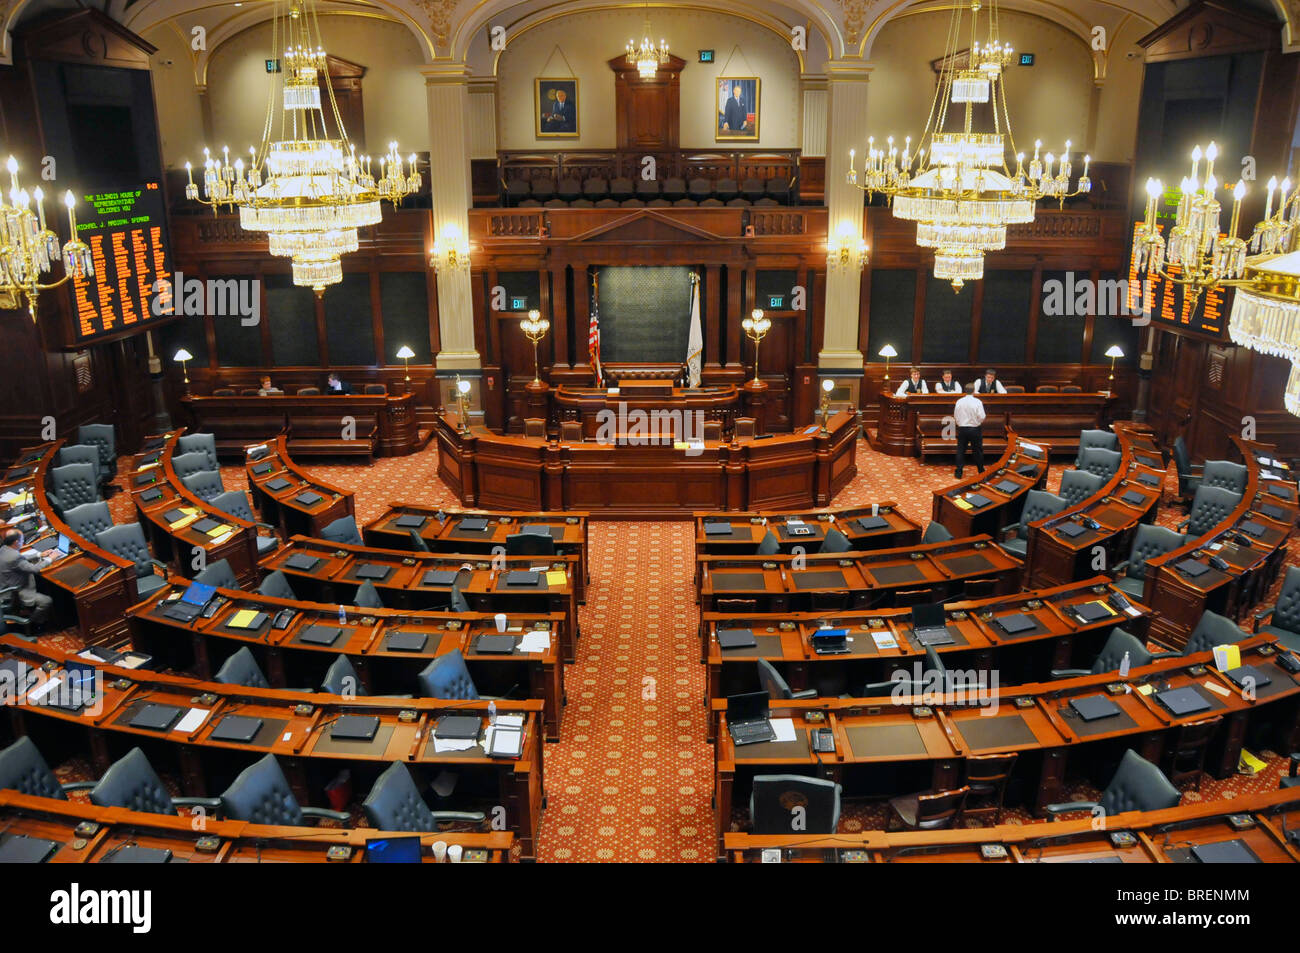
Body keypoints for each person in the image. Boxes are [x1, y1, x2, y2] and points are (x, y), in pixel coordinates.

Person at [0, 528, 55, 626]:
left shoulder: (4, 549)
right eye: (22, 540)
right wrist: (49, 560)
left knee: (41, 583)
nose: (23, 542)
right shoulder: (14, 556)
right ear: (16, 542)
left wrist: (39, 554)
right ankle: (31, 622)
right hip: (15, 592)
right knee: (46, 601)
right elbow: (34, 569)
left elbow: (19, 559)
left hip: (5, 584)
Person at [953, 390, 987, 479]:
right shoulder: (978, 401)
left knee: (961, 450)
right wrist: (977, 422)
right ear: (973, 391)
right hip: (975, 429)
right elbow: (982, 416)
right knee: (977, 451)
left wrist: (960, 424)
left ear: (965, 391)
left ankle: (959, 472)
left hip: (962, 428)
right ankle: (981, 470)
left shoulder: (959, 401)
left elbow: (956, 415)